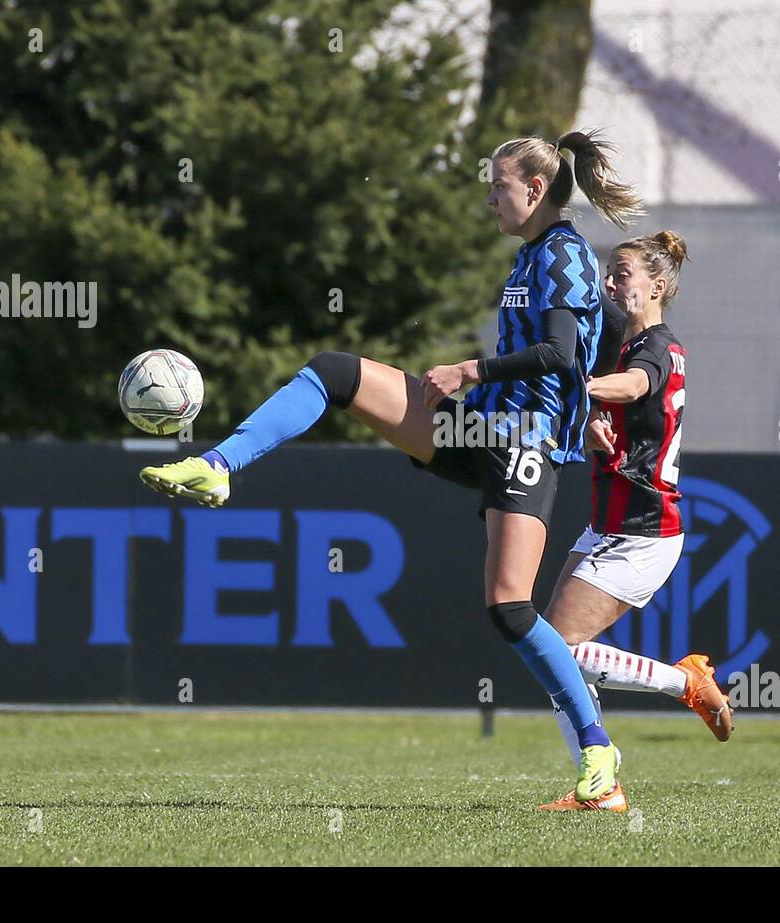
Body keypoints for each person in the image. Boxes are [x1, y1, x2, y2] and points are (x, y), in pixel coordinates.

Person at [139, 131, 644, 804]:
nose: (489, 197)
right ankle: (220, 465)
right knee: (334, 373)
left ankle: (598, 755)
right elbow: (604, 335)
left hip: (525, 445)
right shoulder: (537, 254)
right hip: (480, 429)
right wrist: (594, 402)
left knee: (509, 608)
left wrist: (479, 370)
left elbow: (558, 354)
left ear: (532, 189)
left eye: (498, 185)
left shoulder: (563, 256)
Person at [535, 230, 733, 813]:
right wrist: (595, 424)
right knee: (553, 651)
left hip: (642, 529)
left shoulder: (654, 347)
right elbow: (627, 407)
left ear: (658, 285)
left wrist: (582, 390)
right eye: (610, 273)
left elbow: (638, 385)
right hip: (611, 522)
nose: (611, 283)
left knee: (556, 649)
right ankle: (600, 785)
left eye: (623, 273)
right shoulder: (628, 343)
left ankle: (686, 684)